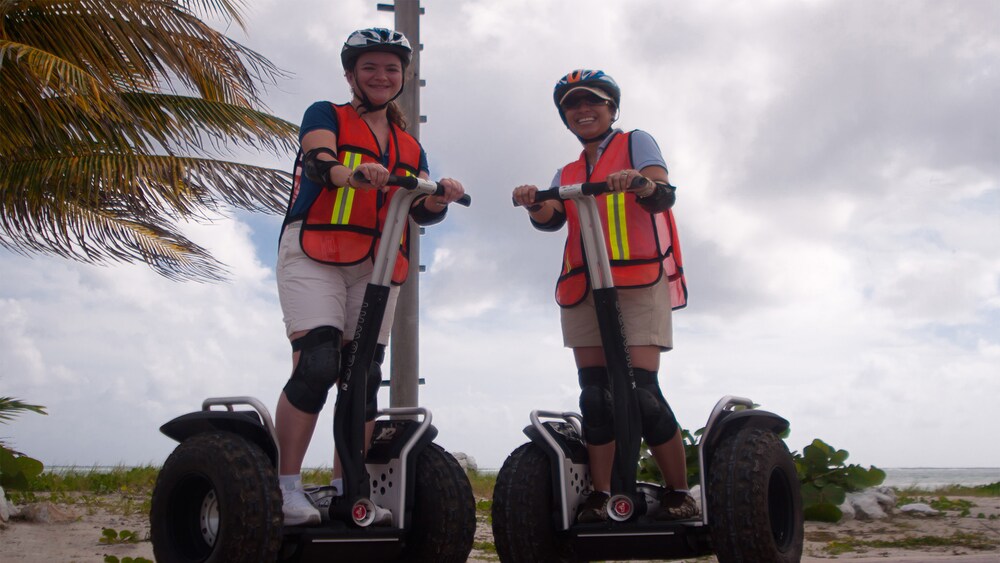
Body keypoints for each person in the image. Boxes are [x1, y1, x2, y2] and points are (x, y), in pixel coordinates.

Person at [274, 27, 465, 526]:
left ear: (403, 77)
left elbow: (420, 210)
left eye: (391, 68)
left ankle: (347, 491)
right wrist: (351, 174)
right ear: (351, 74)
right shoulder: (326, 114)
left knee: (363, 377)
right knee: (318, 364)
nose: (381, 76)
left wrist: (440, 198)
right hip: (315, 250)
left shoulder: (409, 145)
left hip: (376, 265)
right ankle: (285, 489)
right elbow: (319, 162)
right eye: (370, 67)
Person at [512, 69, 695, 523]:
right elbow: (552, 217)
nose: (583, 110)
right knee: (595, 396)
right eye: (572, 105)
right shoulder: (568, 171)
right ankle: (603, 494)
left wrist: (640, 183)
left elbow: (661, 193)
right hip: (584, 286)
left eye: (592, 101)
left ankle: (679, 492)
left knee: (641, 393)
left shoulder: (636, 143)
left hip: (636, 281)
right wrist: (534, 201)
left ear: (612, 108)